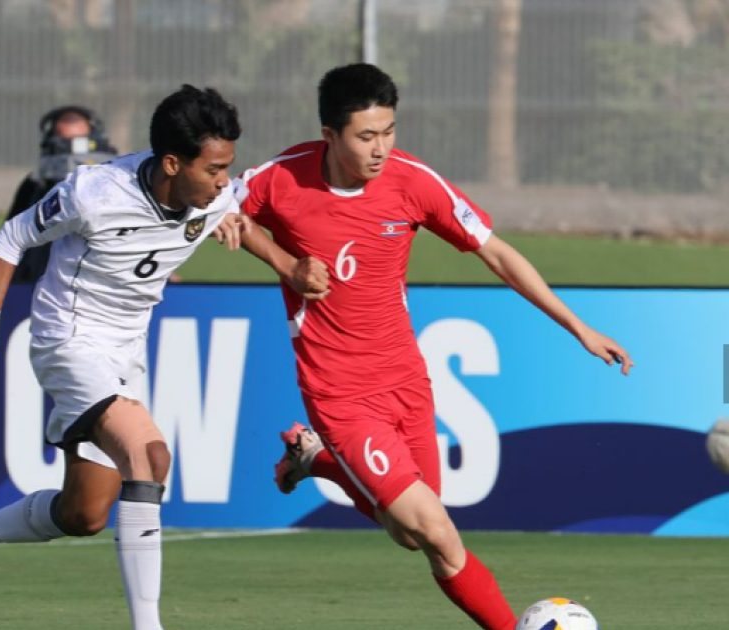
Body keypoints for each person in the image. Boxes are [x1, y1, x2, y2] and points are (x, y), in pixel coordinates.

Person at [233, 63, 633, 630]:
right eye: (365, 136)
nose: (381, 148)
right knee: (441, 537)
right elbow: (226, 211)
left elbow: (497, 253)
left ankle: (316, 457)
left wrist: (579, 327)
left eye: (389, 131)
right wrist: (285, 264)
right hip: (339, 393)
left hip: (405, 380)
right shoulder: (280, 177)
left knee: (409, 534)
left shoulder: (412, 180)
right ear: (329, 135)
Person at [0, 85, 248, 630]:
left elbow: (240, 217)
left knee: (84, 513)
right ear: (173, 163)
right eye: (215, 168)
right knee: (149, 457)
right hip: (68, 338)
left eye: (229, 167)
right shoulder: (94, 192)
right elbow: (13, 236)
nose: (225, 180)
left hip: (125, 355)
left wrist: (289, 267)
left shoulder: (210, 191)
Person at [5, 105, 118, 283]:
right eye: (65, 145)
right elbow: (11, 236)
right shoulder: (35, 184)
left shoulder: (116, 180)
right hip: (41, 276)